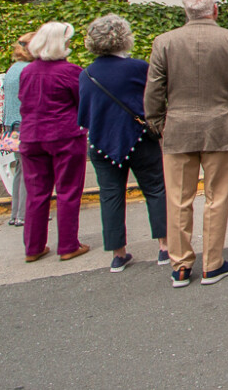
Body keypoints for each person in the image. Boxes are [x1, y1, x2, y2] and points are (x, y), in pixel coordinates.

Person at [145, 0, 228, 288]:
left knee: (178, 199)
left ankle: (180, 264)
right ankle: (212, 263)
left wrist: (156, 122)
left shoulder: (164, 42)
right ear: (215, 10)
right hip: (219, 126)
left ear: (186, 12)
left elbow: (154, 89)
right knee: (217, 197)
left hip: (177, 127)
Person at [78, 15, 169, 271]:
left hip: (101, 142)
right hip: (138, 137)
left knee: (110, 195)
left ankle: (118, 253)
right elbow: (154, 100)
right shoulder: (139, 68)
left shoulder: (86, 74)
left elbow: (83, 113)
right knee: (155, 188)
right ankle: (164, 246)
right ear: (124, 38)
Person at [18, 22, 88, 263]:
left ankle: (33, 247)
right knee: (68, 190)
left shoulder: (26, 71)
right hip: (64, 134)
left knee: (36, 192)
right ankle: (68, 244)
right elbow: (82, 104)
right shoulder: (70, 71)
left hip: (31, 135)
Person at [1, 33, 34, 227]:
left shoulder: (13, 69)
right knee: (30, 169)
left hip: (10, 125)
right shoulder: (28, 70)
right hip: (24, 124)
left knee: (20, 168)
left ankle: (16, 213)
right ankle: (24, 214)